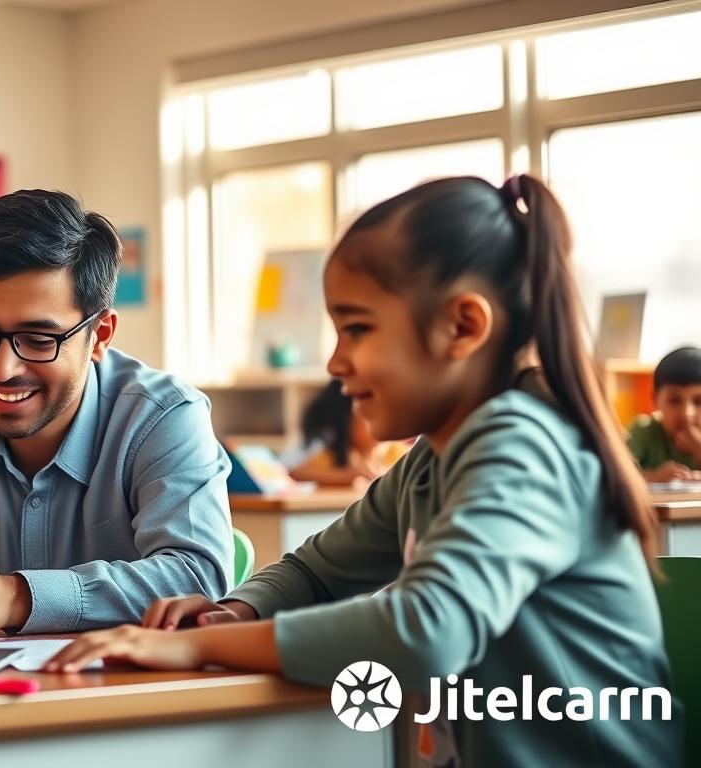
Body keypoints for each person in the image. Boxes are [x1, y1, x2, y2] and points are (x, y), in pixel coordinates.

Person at [47, 176, 682, 765]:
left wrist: (194, 646)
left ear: (463, 326)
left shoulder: (522, 445)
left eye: (357, 329)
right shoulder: (433, 459)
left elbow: (424, 632)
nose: (335, 361)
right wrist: (232, 614)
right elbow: (315, 570)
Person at [0, 189, 232, 634]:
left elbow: (196, 575)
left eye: (37, 339)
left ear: (101, 334)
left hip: (125, 696)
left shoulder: (163, 416)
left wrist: (18, 596)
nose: (2, 368)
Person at [288, 378, 410, 488]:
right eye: (368, 417)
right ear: (344, 422)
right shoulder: (335, 454)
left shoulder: (394, 450)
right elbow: (295, 473)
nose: (383, 423)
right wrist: (346, 476)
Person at [627, 346, 701, 482]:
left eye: (698, 401)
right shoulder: (643, 431)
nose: (686, 413)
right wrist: (654, 476)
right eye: (674, 401)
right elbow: (616, 474)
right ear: (655, 400)